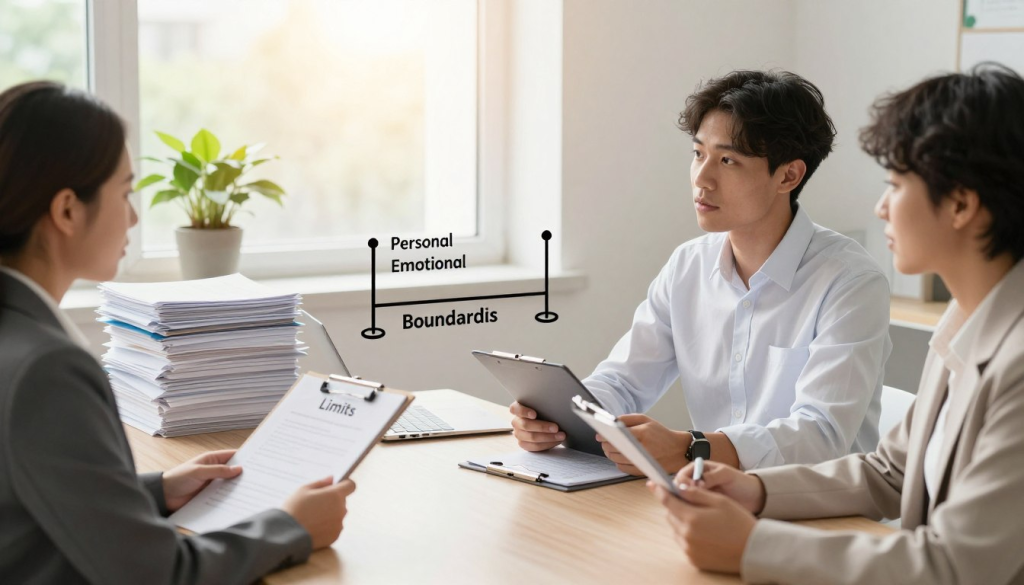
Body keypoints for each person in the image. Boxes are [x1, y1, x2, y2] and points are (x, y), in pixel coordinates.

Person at [651, 64, 1024, 584]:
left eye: (895, 185)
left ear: (961, 204)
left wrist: (754, 546)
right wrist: (753, 489)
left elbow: (958, 566)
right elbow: (889, 472)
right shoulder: (967, 320)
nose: (880, 207)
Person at [0, 81, 355, 584]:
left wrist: (156, 490)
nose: (134, 217)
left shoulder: (15, 335)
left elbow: (22, 503)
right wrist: (290, 526)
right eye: (124, 193)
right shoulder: (47, 369)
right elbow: (159, 575)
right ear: (66, 210)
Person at [511, 70, 892, 473]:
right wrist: (561, 420)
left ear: (788, 175)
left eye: (728, 160)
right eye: (698, 154)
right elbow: (624, 381)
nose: (702, 179)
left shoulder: (850, 282)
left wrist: (694, 448)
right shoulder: (688, 266)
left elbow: (822, 435)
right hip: (714, 499)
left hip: (822, 515)